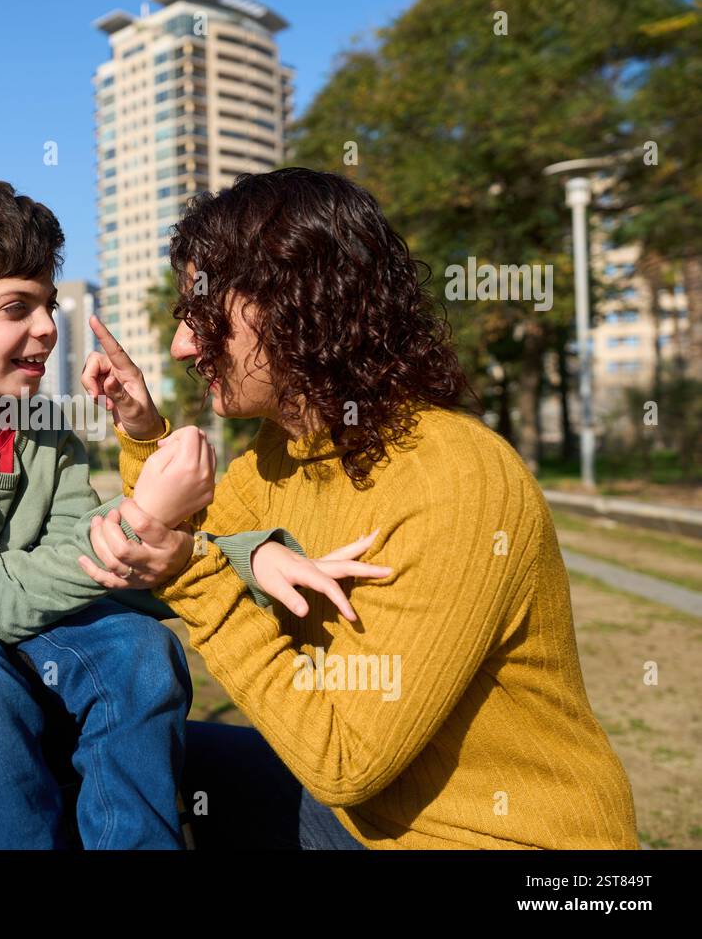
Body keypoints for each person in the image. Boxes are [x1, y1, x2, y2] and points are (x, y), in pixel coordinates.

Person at [0, 176, 375, 849]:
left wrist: (245, 557)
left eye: (46, 305)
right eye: (15, 308)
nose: (46, 327)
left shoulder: (44, 433)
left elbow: (86, 561)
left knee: (138, 651)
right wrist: (144, 517)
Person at [77, 168, 638, 849]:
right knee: (134, 752)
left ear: (295, 306)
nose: (183, 346)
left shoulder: (456, 477)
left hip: (501, 841)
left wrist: (191, 576)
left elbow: (347, 764)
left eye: (204, 319)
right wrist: (144, 433)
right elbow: (195, 528)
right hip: (365, 824)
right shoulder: (286, 451)